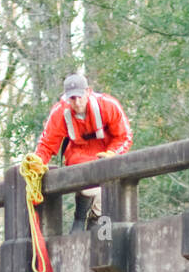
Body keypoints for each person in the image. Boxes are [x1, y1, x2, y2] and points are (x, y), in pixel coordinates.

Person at [33, 73, 133, 232]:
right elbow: (47, 144)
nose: (77, 102)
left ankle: (95, 226)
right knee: (89, 183)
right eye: (72, 98)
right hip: (78, 157)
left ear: (88, 91)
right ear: (67, 98)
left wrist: (113, 154)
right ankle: (80, 219)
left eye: (80, 96)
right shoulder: (60, 112)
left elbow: (124, 136)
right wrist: (36, 163)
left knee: (104, 191)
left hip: (106, 156)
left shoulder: (108, 105)